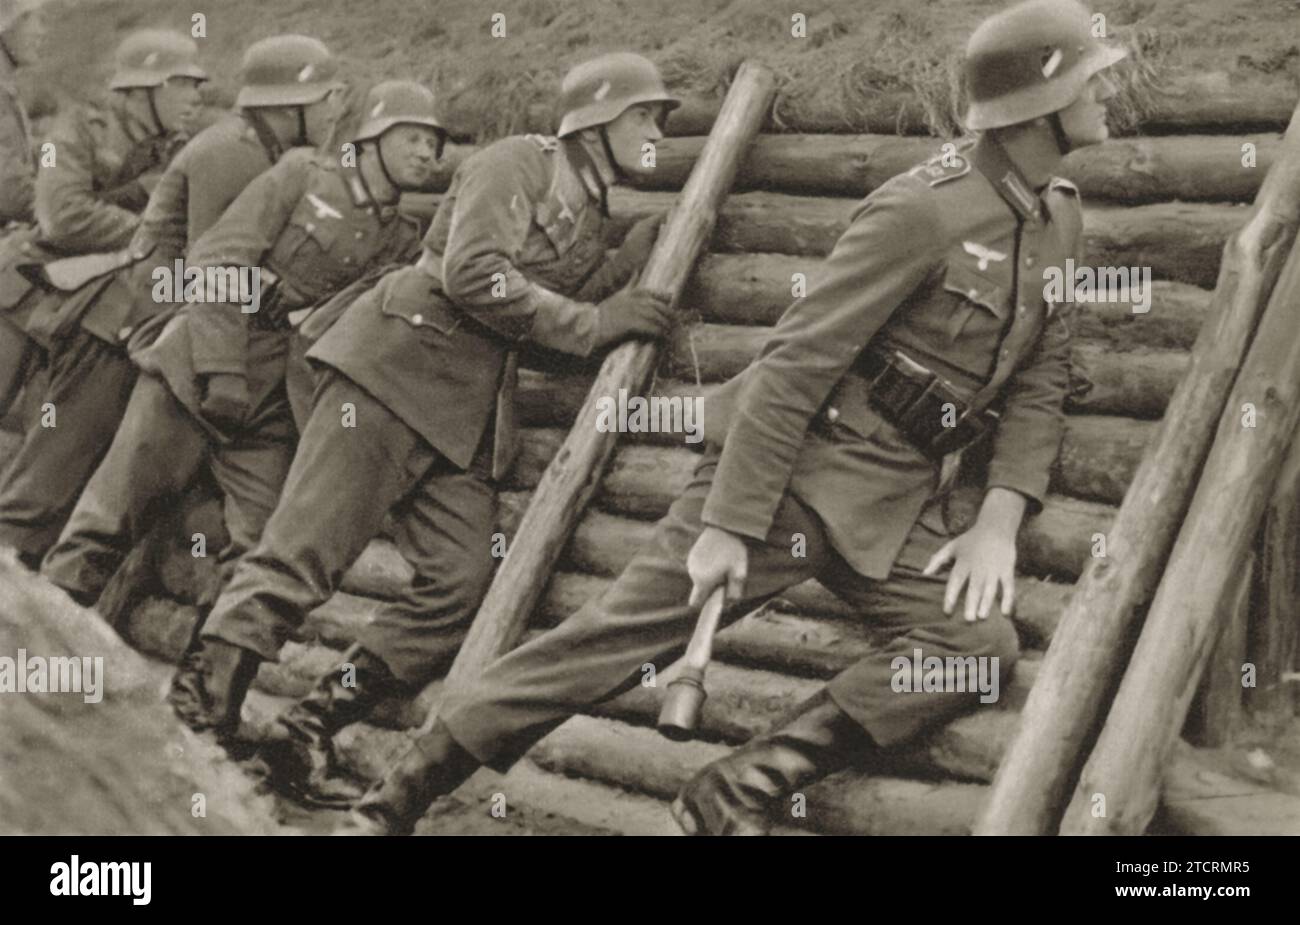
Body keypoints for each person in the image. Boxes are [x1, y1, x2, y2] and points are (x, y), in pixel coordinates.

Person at [339, 0, 1128, 836]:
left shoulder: (1058, 216)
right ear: (1043, 103)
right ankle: (393, 799)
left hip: (890, 502)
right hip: (784, 475)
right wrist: (728, 523)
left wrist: (1001, 518)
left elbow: (1042, 373)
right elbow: (793, 367)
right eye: (1094, 80)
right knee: (610, 644)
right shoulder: (922, 210)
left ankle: (738, 788)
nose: (1109, 95)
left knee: (975, 650)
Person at [186, 51, 678, 805]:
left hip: (462, 414)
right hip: (392, 370)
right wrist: (596, 318)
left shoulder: (591, 210)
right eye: (645, 115)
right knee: (304, 552)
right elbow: (476, 273)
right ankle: (199, 715)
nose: (657, 132)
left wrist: (625, 272)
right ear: (598, 120)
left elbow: (544, 312)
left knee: (460, 582)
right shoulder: (519, 164)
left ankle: (309, 723)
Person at [40, 80, 443, 733]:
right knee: (106, 520)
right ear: (370, 135)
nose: (427, 152)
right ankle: (30, 673)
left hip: (278, 409)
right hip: (194, 373)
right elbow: (221, 258)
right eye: (413, 136)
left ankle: (196, 712)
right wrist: (222, 367)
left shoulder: (400, 236)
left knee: (261, 547)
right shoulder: (298, 174)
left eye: (434, 142)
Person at [0, 35, 340, 565]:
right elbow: (212, 270)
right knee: (43, 494)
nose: (332, 109)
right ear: (285, 104)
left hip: (146, 327)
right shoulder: (234, 152)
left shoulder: (256, 150)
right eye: (323, 98)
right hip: (118, 331)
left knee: (86, 497)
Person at [0, 28, 202, 433]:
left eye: (195, 84)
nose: (194, 96)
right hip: (21, 288)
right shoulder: (76, 129)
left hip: (85, 306)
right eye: (178, 84)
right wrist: (151, 234)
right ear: (139, 91)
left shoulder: (179, 147)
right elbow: (61, 217)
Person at [0, 0, 43, 226]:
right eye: (28, 18)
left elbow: (38, 154)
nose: (40, 31)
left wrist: (59, 159)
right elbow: (11, 195)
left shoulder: (8, 89)